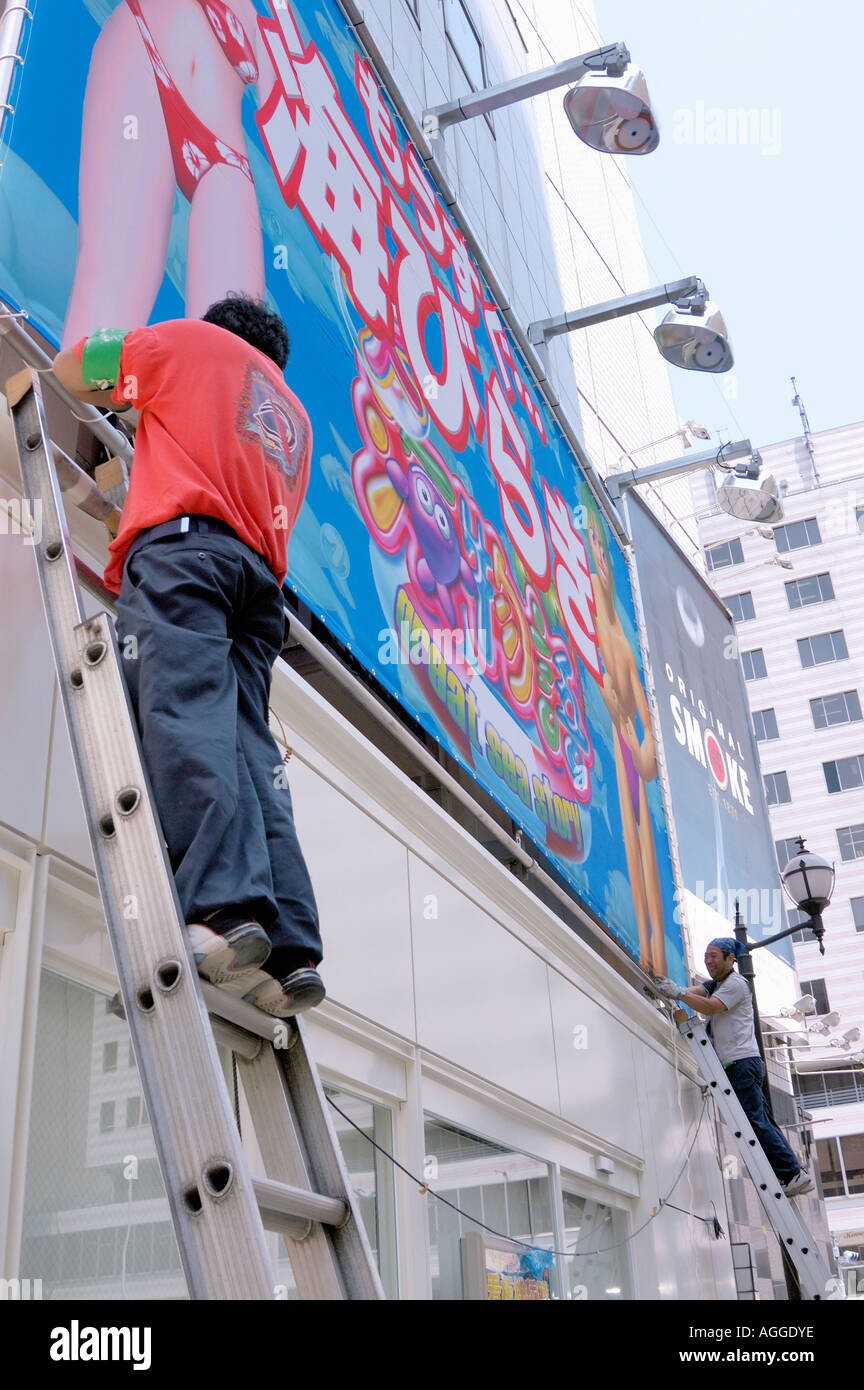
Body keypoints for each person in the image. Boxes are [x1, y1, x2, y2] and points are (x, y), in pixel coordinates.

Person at [53, 293, 325, 1018]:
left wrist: (145, 403)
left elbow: (75, 368)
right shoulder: (293, 423)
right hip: (257, 588)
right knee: (247, 749)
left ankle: (222, 909)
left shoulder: (190, 346)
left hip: (182, 557)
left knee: (183, 715)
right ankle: (290, 947)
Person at [655, 939, 814, 1196]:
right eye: (706, 955)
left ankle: (791, 1173)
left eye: (714, 955)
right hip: (741, 1063)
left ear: (731, 959)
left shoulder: (735, 984)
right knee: (761, 1120)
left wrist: (678, 993)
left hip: (740, 1064)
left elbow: (710, 1006)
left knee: (754, 1121)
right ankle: (791, 1173)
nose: (708, 960)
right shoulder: (716, 984)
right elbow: (698, 992)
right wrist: (674, 990)